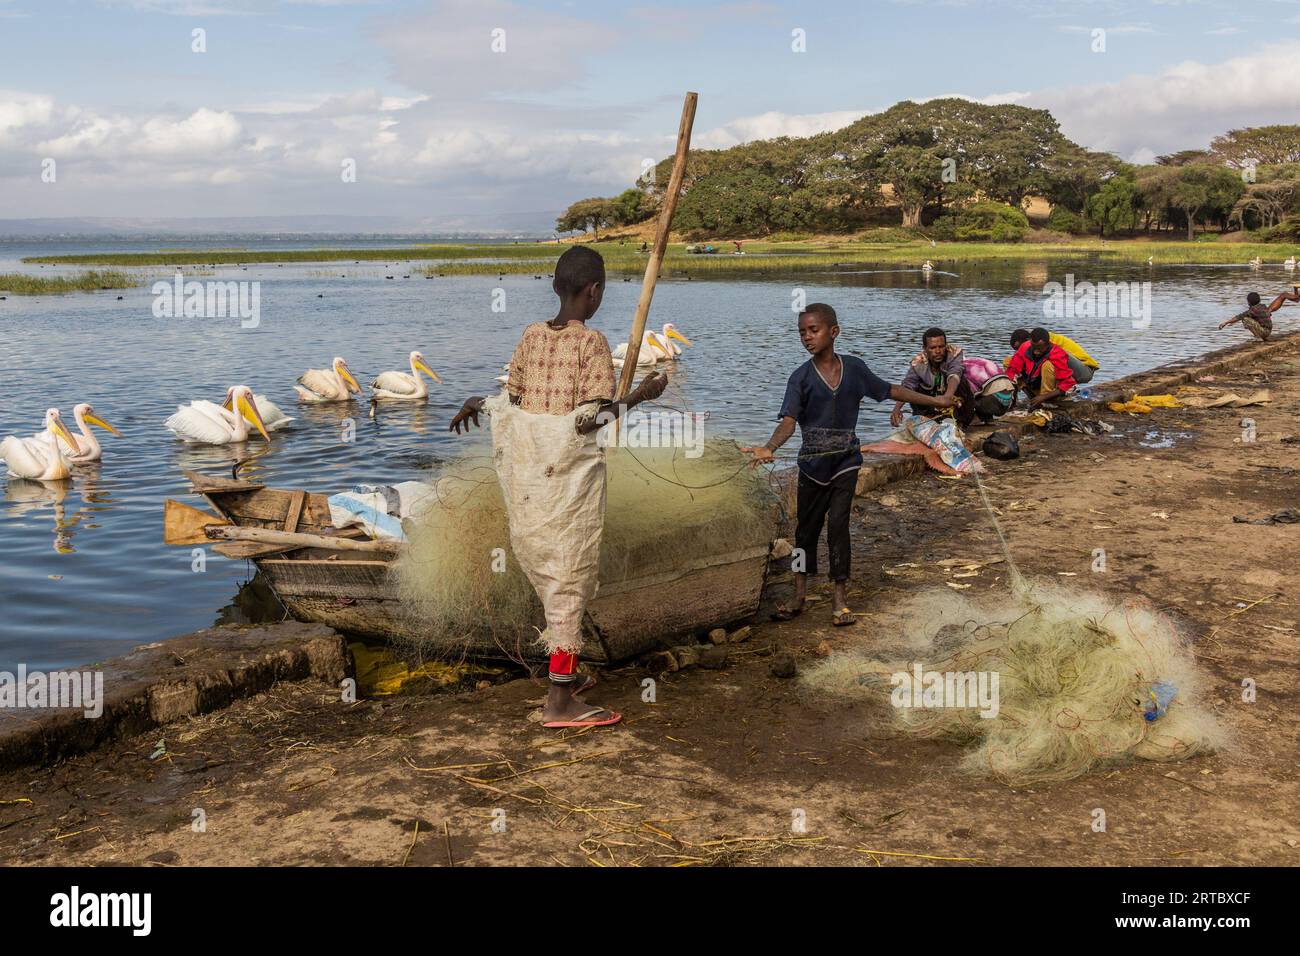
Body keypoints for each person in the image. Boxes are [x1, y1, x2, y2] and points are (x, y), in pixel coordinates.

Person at [448, 246, 667, 729]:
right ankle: (560, 703)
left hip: (529, 491)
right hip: (565, 491)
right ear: (595, 292)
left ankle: (566, 675)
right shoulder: (591, 343)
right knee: (568, 584)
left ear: (555, 287)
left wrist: (474, 403)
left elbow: (513, 404)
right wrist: (641, 395)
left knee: (553, 578)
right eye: (601, 291)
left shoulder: (529, 335)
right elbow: (590, 422)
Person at [743, 304, 954, 626]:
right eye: (802, 332)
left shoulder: (854, 369)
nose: (807, 337)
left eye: (813, 330)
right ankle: (798, 594)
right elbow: (788, 422)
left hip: (846, 461)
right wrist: (769, 447)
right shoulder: (800, 378)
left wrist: (936, 401)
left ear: (834, 332)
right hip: (812, 465)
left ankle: (839, 600)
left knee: (839, 526)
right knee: (805, 532)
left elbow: (890, 390)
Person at [890, 327, 971, 427]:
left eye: (941, 347)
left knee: (961, 381)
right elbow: (908, 385)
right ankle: (927, 420)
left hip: (953, 404)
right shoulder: (918, 363)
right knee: (915, 389)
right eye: (932, 348)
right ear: (925, 348)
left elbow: (954, 374)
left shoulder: (954, 353)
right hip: (932, 407)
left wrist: (947, 397)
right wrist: (897, 409)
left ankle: (959, 421)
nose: (938, 351)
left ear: (946, 346)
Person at [1005, 327, 1076, 408]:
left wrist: (1043, 397)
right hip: (1033, 385)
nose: (1035, 351)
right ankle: (1016, 401)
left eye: (1039, 349)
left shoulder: (1057, 354)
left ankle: (1047, 401)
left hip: (1050, 393)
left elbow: (1068, 385)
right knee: (1008, 362)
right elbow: (1012, 370)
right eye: (1033, 347)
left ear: (1047, 344)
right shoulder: (1025, 347)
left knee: (1047, 365)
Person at [1008, 328, 1099, 385]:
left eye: (1020, 348)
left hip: (1084, 371)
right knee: (1009, 362)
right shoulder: (1035, 348)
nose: (1020, 352)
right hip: (1066, 370)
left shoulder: (1044, 341)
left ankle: (1060, 391)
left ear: (1029, 341)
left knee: (1048, 363)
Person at [1219, 287, 1300, 341]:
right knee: (1283, 295)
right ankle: (1296, 295)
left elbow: (1240, 316)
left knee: (1245, 319)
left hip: (1265, 332)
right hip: (1268, 331)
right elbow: (1241, 316)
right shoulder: (1263, 307)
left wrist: (1226, 322)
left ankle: (1258, 337)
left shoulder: (1254, 310)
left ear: (1249, 302)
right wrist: (1233, 321)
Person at [963, 355, 1017, 423]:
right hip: (1007, 403)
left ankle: (978, 417)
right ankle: (987, 417)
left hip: (995, 403)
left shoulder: (963, 368)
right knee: (986, 390)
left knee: (964, 395)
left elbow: (971, 394)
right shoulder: (975, 361)